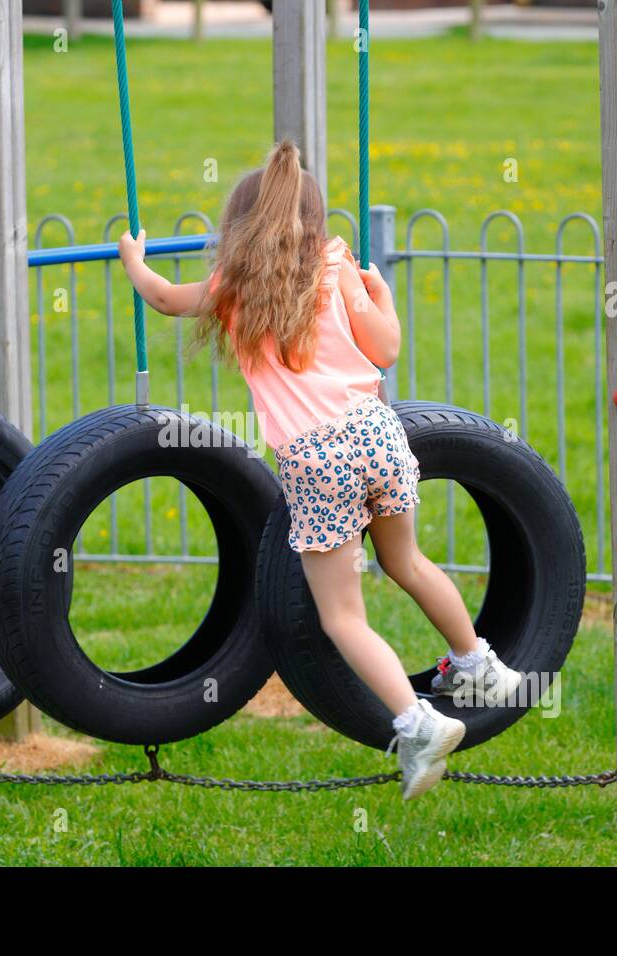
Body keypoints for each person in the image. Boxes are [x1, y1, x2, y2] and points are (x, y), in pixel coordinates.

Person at [119, 141, 523, 799]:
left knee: (342, 616)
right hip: (379, 431)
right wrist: (382, 295)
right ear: (315, 216)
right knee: (408, 562)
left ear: (241, 224)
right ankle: (478, 661)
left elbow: (165, 300)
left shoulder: (234, 284)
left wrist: (135, 261)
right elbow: (385, 348)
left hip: (317, 456)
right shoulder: (336, 265)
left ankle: (419, 722)